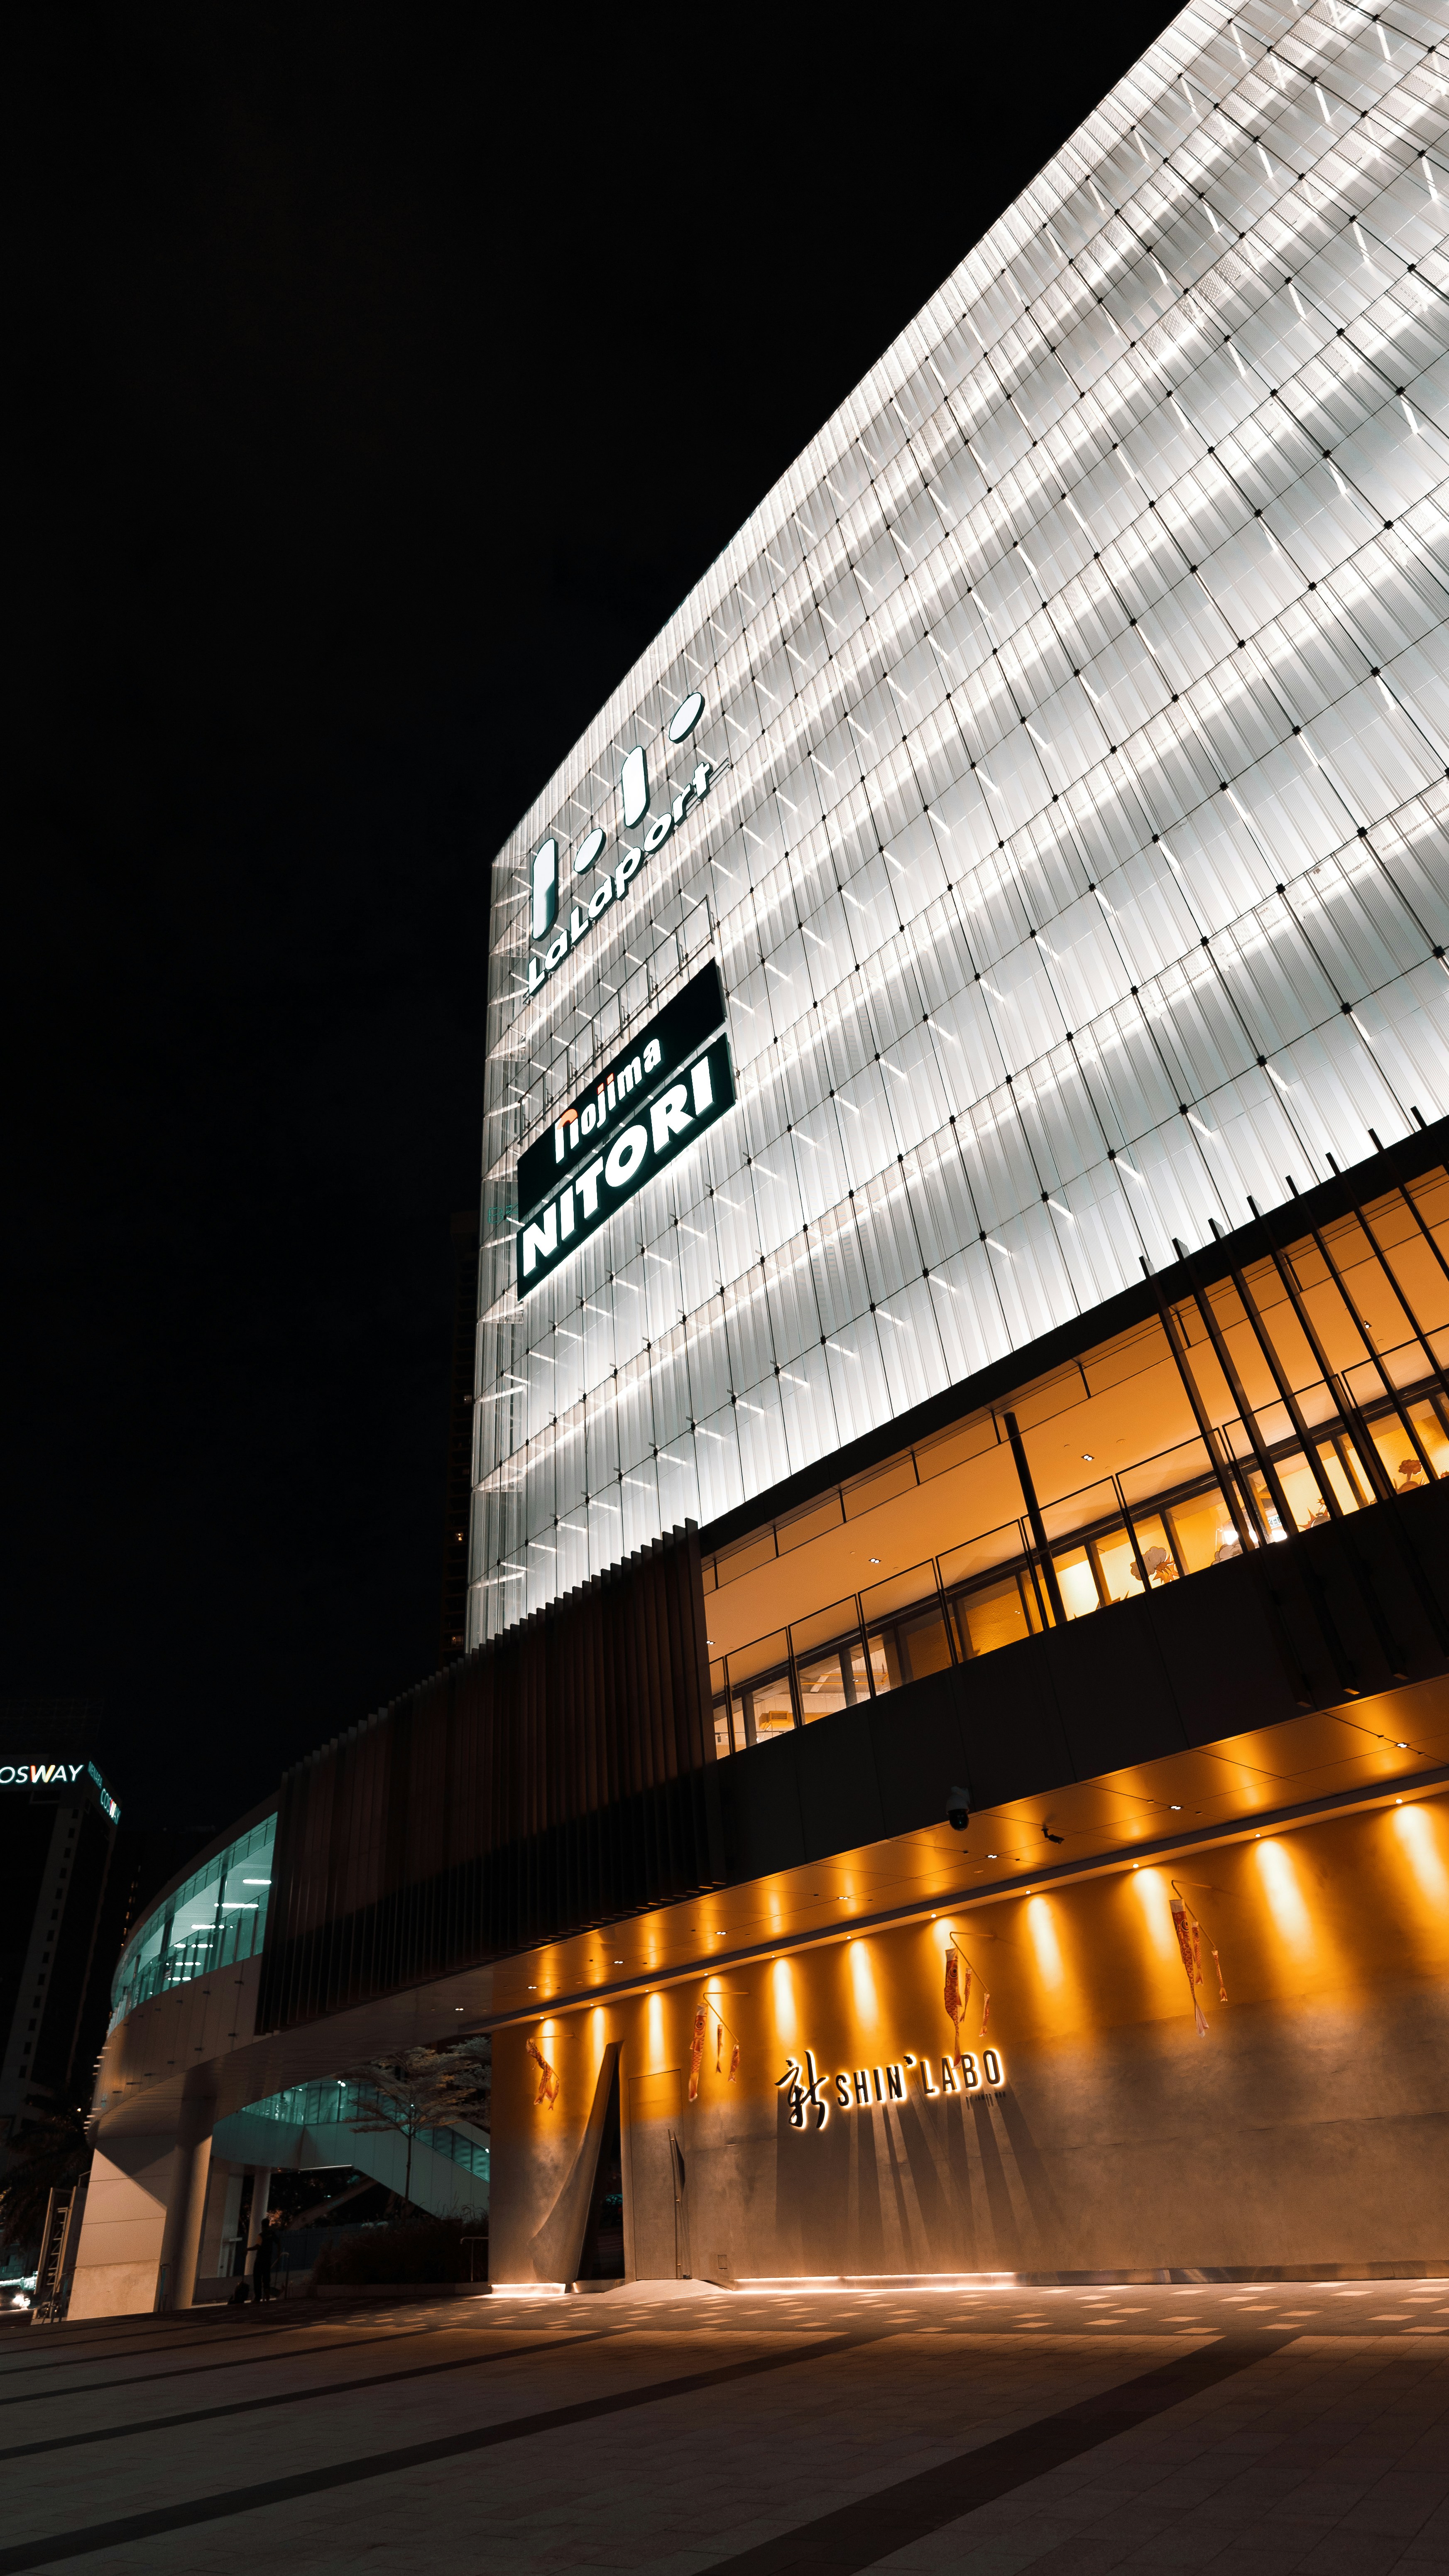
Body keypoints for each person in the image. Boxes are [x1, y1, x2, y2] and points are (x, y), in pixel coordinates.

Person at [252, 2215, 276, 2304]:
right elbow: (278, 2241)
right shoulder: (272, 2234)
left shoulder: (261, 2236)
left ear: (262, 2226)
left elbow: (257, 2246)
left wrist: (247, 2249)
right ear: (268, 2225)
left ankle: (258, 2297)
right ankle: (267, 2292)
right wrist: (278, 2254)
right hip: (268, 2260)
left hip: (260, 2260)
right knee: (266, 2278)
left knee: (257, 2278)